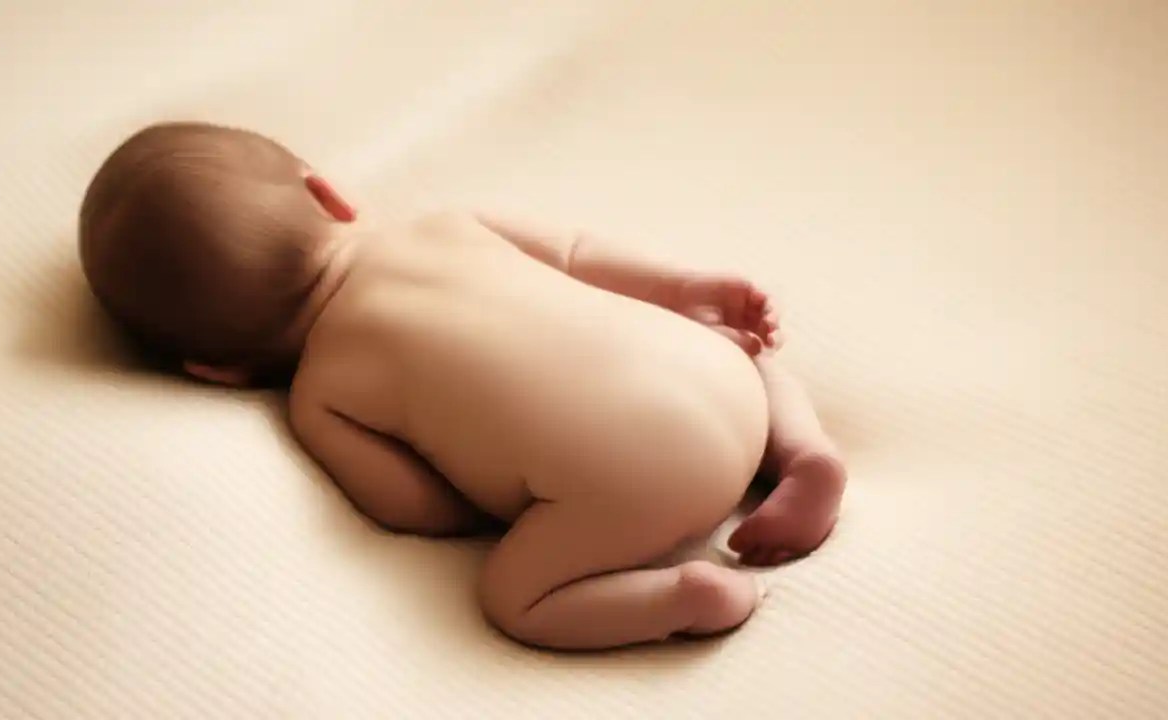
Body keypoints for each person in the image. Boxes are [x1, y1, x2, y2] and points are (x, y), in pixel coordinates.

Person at [79, 121, 847, 650]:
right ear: (329, 195)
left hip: (628, 495)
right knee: (745, 356)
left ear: (217, 371)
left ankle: (690, 599)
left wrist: (496, 480)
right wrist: (683, 287)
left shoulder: (321, 396)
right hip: (713, 381)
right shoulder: (445, 223)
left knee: (512, 598)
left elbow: (420, 508)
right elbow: (579, 252)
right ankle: (802, 451)